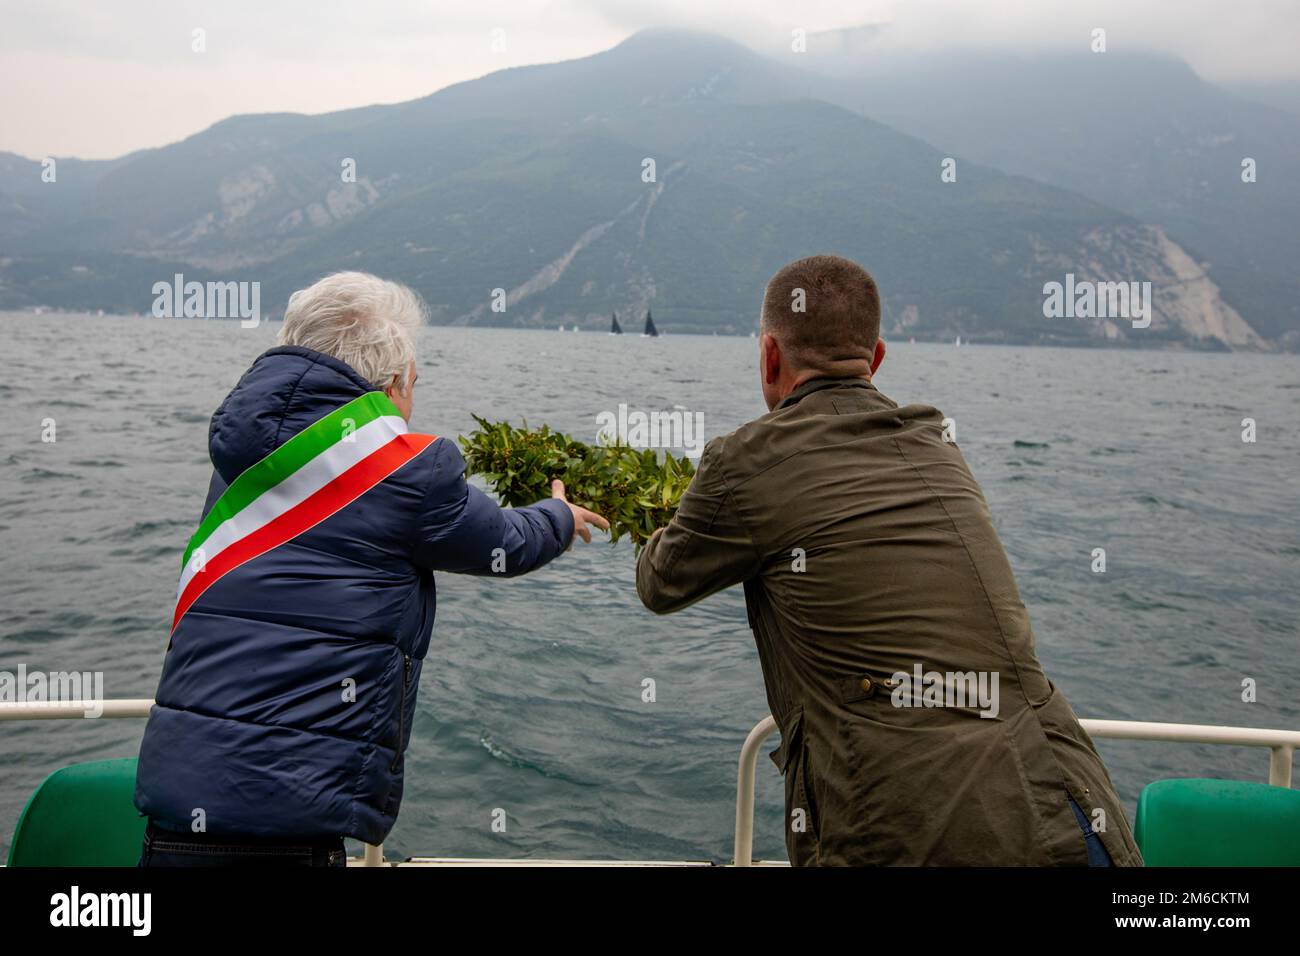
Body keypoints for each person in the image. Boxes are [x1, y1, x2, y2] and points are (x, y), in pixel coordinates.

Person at [636, 254, 1142, 866]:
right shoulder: (935, 441)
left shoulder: (743, 462)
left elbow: (660, 581)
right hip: (1075, 813)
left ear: (770, 355)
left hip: (919, 831)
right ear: (875, 361)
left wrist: (658, 517)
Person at [135, 271, 606, 866]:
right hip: (290, 820)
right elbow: (505, 543)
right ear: (389, 385)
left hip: (177, 806)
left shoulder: (243, 454)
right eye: (413, 384)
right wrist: (558, 517)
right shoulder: (409, 470)